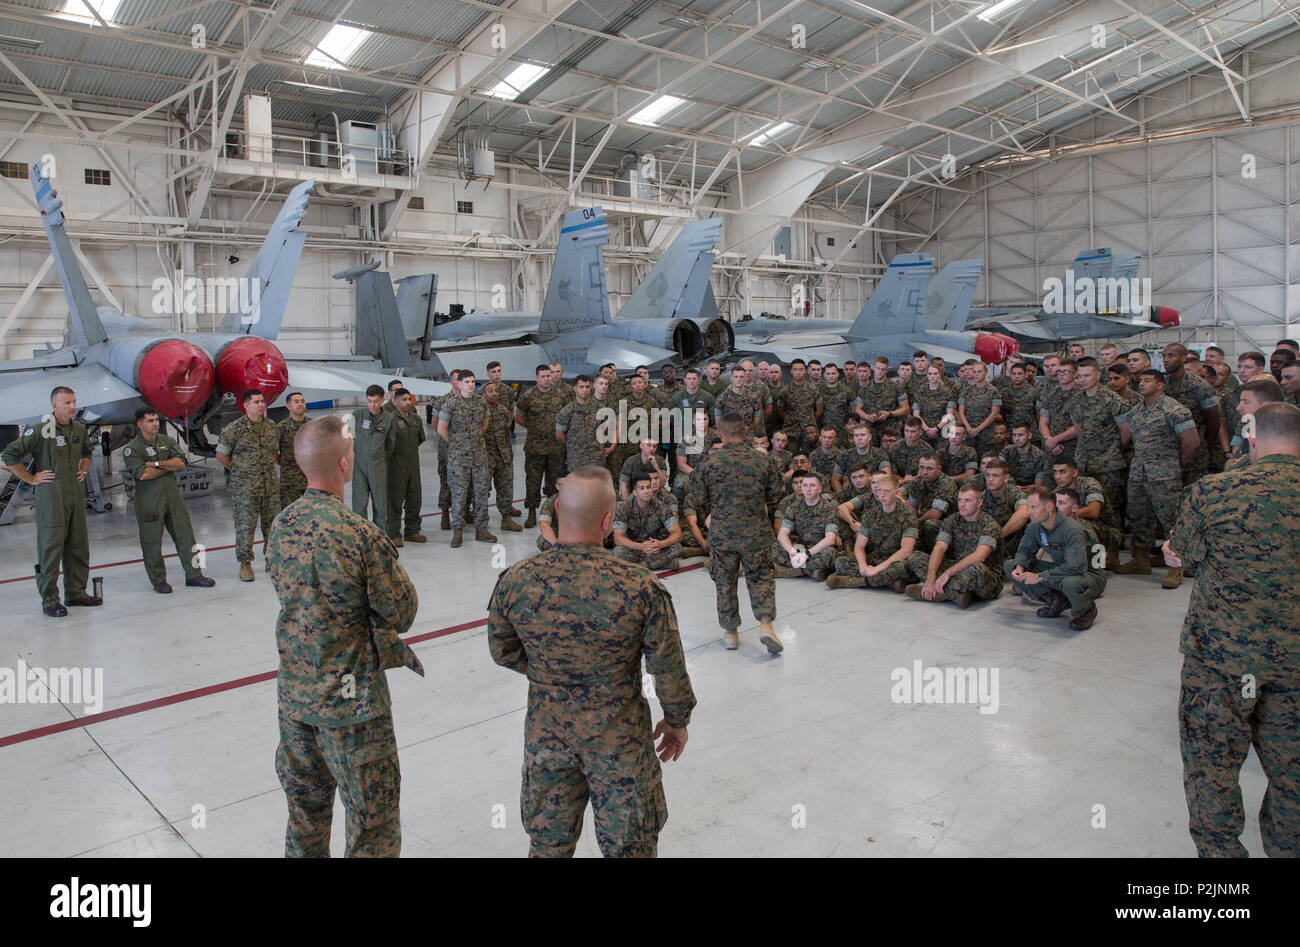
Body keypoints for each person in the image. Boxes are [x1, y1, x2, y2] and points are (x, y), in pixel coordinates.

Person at [487, 466, 696, 857]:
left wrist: (552, 673)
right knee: (630, 846)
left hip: (547, 738)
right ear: (606, 520)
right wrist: (677, 719)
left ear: (558, 514)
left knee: (548, 845)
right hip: (620, 742)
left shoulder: (517, 580)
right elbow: (667, 667)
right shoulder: (640, 587)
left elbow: (502, 650)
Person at [268, 416, 422, 858]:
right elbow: (402, 611)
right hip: (351, 708)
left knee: (305, 812)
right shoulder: (359, 534)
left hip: (296, 698)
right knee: (372, 823)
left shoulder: (282, 525)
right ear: (344, 462)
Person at [1164, 403, 1300, 857]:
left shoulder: (1215, 491)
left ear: (1252, 437)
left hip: (1220, 659)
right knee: (1293, 778)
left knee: (1211, 770)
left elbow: (1182, 554)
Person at [690, 413, 785, 653]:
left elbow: (699, 498)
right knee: (760, 577)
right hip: (756, 532)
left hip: (723, 533)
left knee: (725, 582)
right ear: (745, 431)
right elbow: (775, 495)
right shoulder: (763, 461)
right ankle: (765, 624)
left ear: (719, 433)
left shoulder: (709, 463)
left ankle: (730, 632)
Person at [1, 386, 100, 616]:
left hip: (74, 494)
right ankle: (50, 600)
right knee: (51, 549)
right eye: (66, 403)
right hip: (51, 497)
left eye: (74, 402)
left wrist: (83, 470)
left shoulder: (79, 429)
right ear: (54, 405)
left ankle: (76, 593)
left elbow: (87, 451)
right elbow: (9, 456)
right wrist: (31, 478)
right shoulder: (41, 430)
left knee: (78, 546)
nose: (72, 406)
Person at [1115, 369, 1199, 585]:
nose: (1141, 384)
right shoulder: (1135, 412)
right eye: (1140, 380)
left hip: (1165, 475)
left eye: (1147, 380)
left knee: (1171, 521)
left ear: (1160, 385)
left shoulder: (1175, 410)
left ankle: (1176, 567)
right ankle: (1140, 560)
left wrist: (1174, 464)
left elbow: (1191, 443)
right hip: (1139, 473)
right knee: (1139, 518)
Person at [122, 407, 215, 593]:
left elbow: (181, 462)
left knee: (186, 536)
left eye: (156, 420)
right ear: (140, 424)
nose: (155, 423)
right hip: (149, 500)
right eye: (150, 421)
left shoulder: (167, 441)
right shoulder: (132, 448)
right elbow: (143, 474)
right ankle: (158, 580)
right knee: (151, 542)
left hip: (173, 497)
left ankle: (194, 574)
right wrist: (168, 466)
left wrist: (156, 463)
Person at [1005, 485, 1104, 630]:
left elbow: (1076, 567)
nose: (1028, 512)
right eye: (1028, 507)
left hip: (1087, 574)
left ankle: (1085, 611)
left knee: (1070, 583)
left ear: (1050, 507)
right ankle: (1058, 599)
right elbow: (1024, 551)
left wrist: (1040, 577)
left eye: (1033, 507)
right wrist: (1019, 566)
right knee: (1010, 565)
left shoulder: (1072, 529)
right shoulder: (1035, 526)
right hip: (1063, 570)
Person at [903, 483, 1003, 608]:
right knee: (915, 557)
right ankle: (958, 593)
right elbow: (940, 547)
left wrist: (947, 574)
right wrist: (931, 577)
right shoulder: (953, 520)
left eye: (967, 501)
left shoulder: (989, 525)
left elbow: (979, 556)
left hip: (985, 578)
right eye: (960, 500)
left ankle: (939, 594)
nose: (962, 504)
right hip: (958, 567)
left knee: (976, 569)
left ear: (979, 503)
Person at [216, 388, 280, 582]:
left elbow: (275, 453)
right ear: (245, 405)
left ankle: (272, 561)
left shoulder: (271, 427)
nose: (261, 405)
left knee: (272, 526)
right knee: (246, 527)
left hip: (269, 486)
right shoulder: (234, 429)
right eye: (256, 402)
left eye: (262, 401)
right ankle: (245, 564)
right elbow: (221, 455)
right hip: (245, 489)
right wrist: (238, 471)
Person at [827, 473, 916, 591]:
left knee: (903, 568)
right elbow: (859, 546)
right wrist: (863, 565)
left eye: (887, 491)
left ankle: (854, 581)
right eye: (879, 490)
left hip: (894, 560)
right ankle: (889, 583)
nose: (882, 495)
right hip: (874, 557)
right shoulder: (871, 515)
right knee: (840, 562)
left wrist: (877, 569)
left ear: (896, 493)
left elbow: (906, 551)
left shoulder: (908, 517)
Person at [438, 370, 497, 548]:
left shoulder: (480, 402)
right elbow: (442, 429)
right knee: (459, 495)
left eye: (473, 382)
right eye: (467, 382)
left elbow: (486, 422)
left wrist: (478, 434)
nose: (471, 385)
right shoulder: (451, 404)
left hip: (479, 456)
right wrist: (456, 443)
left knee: (481, 494)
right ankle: (457, 531)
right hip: (458, 458)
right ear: (459, 384)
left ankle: (481, 529)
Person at [516, 364, 569, 528]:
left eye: (549, 375)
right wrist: (534, 428)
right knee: (533, 481)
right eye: (544, 376)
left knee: (554, 483)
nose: (547, 379)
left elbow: (566, 416)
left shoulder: (560, 395)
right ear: (537, 378)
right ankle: (532, 513)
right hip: (535, 447)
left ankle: (552, 513)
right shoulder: (528, 396)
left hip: (556, 448)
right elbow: (518, 417)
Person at [773, 472, 840, 581]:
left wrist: (807, 554)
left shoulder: (829, 508)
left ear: (819, 489)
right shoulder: (794, 507)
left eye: (812, 486)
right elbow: (782, 534)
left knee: (830, 554)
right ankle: (812, 570)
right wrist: (792, 551)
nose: (808, 489)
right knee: (775, 548)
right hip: (800, 548)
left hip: (819, 550)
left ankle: (795, 570)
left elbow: (830, 539)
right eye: (805, 485)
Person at [612, 473, 682, 570]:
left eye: (648, 487)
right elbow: (618, 538)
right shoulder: (625, 507)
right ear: (635, 492)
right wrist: (641, 546)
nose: (646, 491)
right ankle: (659, 564)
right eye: (642, 488)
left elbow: (677, 534)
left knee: (677, 547)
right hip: (634, 548)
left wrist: (661, 544)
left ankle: (640, 566)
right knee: (618, 552)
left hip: (654, 548)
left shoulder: (660, 506)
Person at [348, 385, 395, 530]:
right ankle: (361, 537)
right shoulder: (357, 415)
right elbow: (346, 439)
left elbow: (390, 444)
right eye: (369, 401)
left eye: (375, 401)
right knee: (359, 504)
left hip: (378, 466)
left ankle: (381, 537)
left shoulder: (388, 418)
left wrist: (379, 459)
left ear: (382, 400)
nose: (372, 405)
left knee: (380, 505)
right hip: (359, 467)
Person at [385, 387, 427, 547]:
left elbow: (420, 439)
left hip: (413, 464)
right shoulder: (389, 420)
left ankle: (412, 531)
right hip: (396, 466)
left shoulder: (416, 419)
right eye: (404, 399)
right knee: (395, 500)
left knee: (414, 498)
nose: (408, 402)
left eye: (409, 399)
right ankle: (394, 533)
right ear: (395, 401)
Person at [482, 382, 521, 532]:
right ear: (484, 394)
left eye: (496, 391)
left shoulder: (503, 411)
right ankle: (482, 523)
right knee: (483, 490)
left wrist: (507, 453)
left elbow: (506, 432)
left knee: (506, 487)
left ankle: (506, 518)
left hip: (502, 455)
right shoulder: (479, 411)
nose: (494, 393)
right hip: (485, 456)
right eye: (490, 391)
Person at [277, 392, 310, 507]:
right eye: (296, 402)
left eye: (302, 401)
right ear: (288, 406)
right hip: (289, 481)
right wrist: (285, 464)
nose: (301, 404)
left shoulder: (313, 425)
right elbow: (273, 452)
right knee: (289, 516)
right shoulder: (282, 427)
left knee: (312, 516)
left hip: (310, 479)